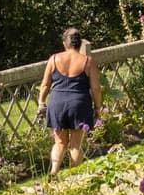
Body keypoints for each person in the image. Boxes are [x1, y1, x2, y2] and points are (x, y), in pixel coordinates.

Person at [37, 27, 101, 174]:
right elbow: (96, 88)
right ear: (79, 44)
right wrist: (98, 108)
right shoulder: (87, 61)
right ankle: (74, 176)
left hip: (57, 102)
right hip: (79, 103)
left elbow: (45, 84)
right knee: (75, 144)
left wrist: (41, 101)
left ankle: (53, 172)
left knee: (59, 142)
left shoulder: (53, 59)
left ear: (65, 44)